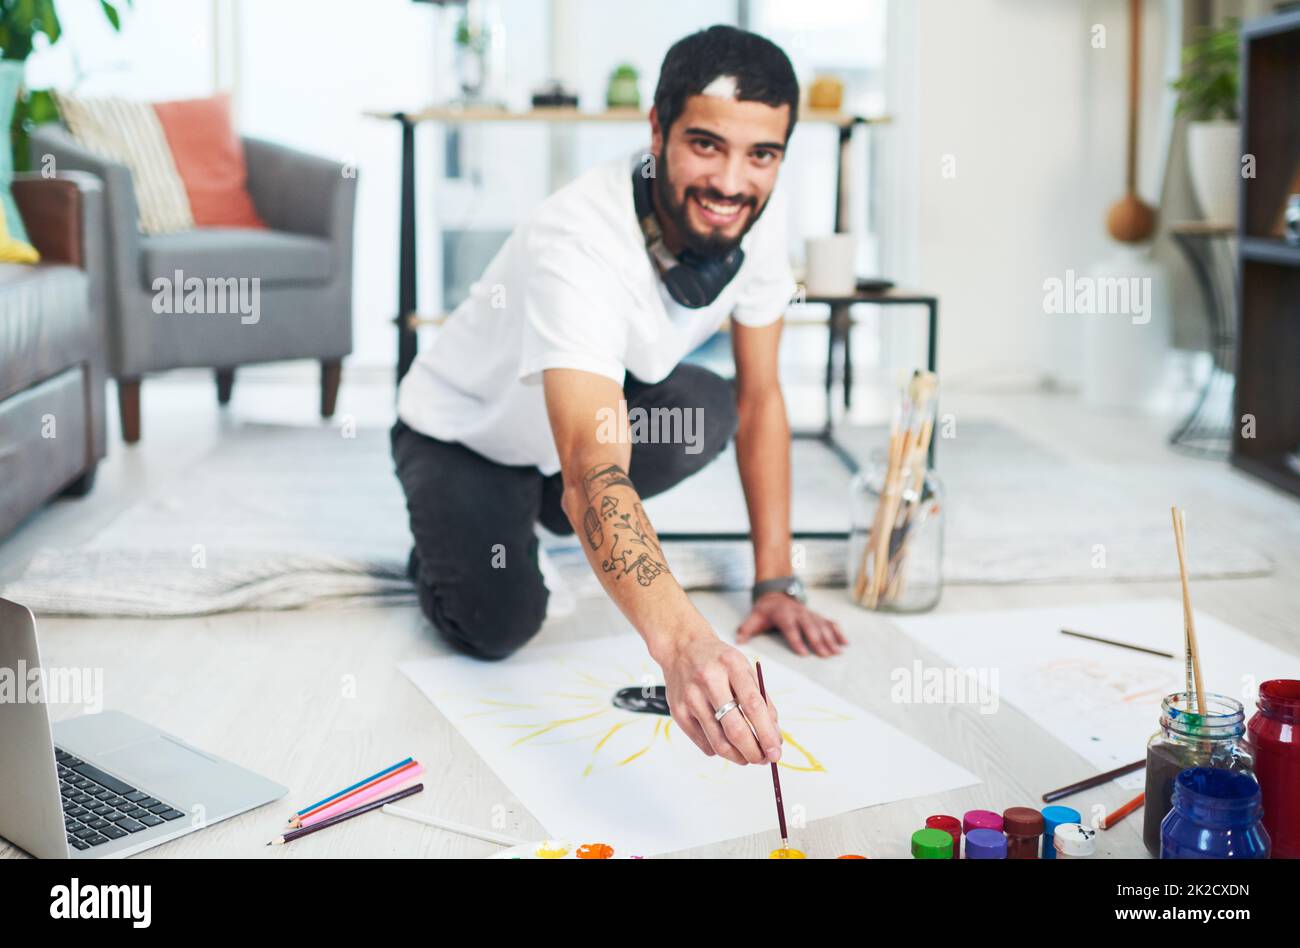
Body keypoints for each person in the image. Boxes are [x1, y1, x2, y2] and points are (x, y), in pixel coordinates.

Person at [393, 25, 847, 767]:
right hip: (466, 438)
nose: (733, 184)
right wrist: (685, 643)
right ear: (657, 131)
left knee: (714, 407)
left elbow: (763, 398)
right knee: (497, 623)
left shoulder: (755, 219)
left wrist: (775, 579)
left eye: (761, 154)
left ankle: (552, 512)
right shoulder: (576, 240)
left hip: (578, 432)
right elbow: (594, 467)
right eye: (706, 145)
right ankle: (452, 539)